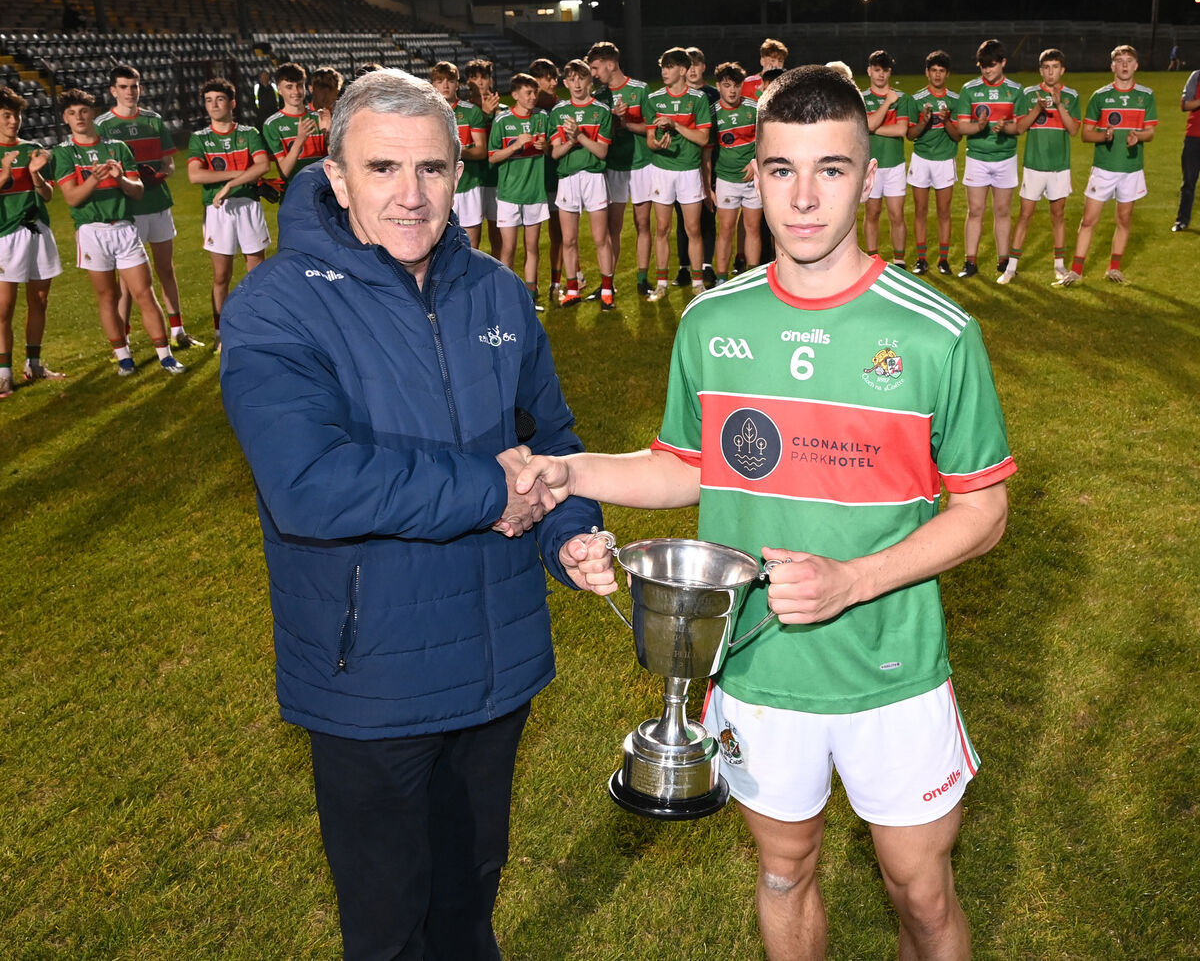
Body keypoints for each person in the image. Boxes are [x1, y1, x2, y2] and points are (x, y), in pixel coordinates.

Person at [517, 64, 1015, 961]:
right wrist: (566, 469)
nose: (805, 197)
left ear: (870, 175)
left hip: (889, 669)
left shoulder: (935, 332)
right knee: (784, 871)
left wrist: (854, 580)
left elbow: (985, 506)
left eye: (831, 169)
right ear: (754, 177)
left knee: (922, 893)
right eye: (783, 170)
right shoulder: (712, 322)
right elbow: (683, 468)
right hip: (753, 667)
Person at [218, 67, 615, 961]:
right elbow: (311, 483)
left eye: (432, 169)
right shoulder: (276, 308)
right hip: (374, 681)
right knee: (390, 928)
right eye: (384, 168)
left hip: (495, 662)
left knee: (470, 908)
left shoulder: (499, 293)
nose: (410, 194)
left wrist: (569, 532)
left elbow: (547, 441)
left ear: (458, 172)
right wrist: (493, 492)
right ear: (335, 176)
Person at [51, 89, 184, 376]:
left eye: (84, 111)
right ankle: (124, 358)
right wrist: (94, 180)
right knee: (108, 297)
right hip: (91, 231)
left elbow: (136, 191)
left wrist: (119, 178)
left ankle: (166, 356)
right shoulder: (63, 153)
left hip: (124, 228)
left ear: (93, 113)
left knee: (144, 294)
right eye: (72, 113)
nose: (79, 117)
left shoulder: (118, 148)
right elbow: (73, 198)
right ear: (65, 118)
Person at [96, 63, 202, 349]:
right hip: (128, 211)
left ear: (140, 88)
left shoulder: (154, 120)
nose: (130, 92)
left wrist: (161, 175)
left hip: (159, 204)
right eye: (123, 87)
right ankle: (124, 338)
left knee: (166, 268)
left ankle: (178, 331)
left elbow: (168, 161)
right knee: (128, 282)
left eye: (134, 86)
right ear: (113, 90)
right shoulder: (103, 125)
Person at [1057, 45, 1157, 286]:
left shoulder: (1146, 96)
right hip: (1104, 168)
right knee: (1089, 219)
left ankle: (1114, 268)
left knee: (1124, 219)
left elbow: (1150, 131)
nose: (1124, 65)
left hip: (1131, 167)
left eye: (1128, 61)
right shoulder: (1100, 96)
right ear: (1112, 66)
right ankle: (1076, 271)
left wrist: (1138, 137)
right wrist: (1105, 137)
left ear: (1136, 65)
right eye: (1119, 61)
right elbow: (1086, 134)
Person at [186, 77, 271, 354]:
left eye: (219, 99)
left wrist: (231, 184)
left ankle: (259, 326)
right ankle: (221, 332)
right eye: (208, 100)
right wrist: (237, 174)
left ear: (232, 103)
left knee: (257, 271)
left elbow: (262, 165)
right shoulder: (200, 138)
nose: (213, 105)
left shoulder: (248, 134)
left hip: (247, 205)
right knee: (221, 275)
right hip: (218, 210)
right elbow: (194, 175)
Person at [0, 85, 65, 397]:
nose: (14, 121)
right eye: (7, 115)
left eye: (18, 115)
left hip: (37, 231)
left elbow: (48, 196)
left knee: (39, 300)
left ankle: (34, 364)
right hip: (4, 237)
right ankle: (3, 374)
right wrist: (6, 172)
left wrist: (36, 174)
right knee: (4, 308)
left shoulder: (34, 148)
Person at [998, 49, 1080, 284]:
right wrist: (1038, 109)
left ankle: (1059, 266)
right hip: (1034, 165)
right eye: (1046, 67)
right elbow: (1020, 128)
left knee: (1058, 215)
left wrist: (1058, 105)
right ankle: (1011, 269)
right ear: (1041, 70)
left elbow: (1074, 130)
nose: (1050, 71)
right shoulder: (1029, 94)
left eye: (1055, 67)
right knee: (1025, 215)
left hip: (1059, 166)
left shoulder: (1071, 96)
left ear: (1062, 70)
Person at [642, 46, 713, 301]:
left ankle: (697, 283)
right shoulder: (653, 99)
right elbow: (650, 139)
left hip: (689, 171)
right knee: (662, 228)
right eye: (663, 66)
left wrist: (676, 125)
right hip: (661, 170)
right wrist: (656, 144)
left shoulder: (698, 99)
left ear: (683, 70)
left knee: (693, 229)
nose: (664, 71)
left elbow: (703, 137)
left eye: (670, 67)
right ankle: (661, 284)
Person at [587, 41, 654, 296]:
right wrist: (615, 122)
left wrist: (627, 122)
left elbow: (651, 127)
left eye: (595, 67)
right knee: (612, 227)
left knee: (642, 223)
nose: (593, 74)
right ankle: (608, 283)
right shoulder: (599, 97)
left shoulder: (640, 90)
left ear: (611, 64)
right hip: (613, 166)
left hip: (641, 165)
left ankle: (642, 279)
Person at [548, 59, 615, 308]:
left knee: (601, 238)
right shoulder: (558, 112)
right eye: (572, 79)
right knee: (569, 240)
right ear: (565, 82)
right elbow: (555, 153)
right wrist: (571, 141)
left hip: (594, 178)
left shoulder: (602, 111)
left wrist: (579, 136)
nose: (577, 83)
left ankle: (608, 290)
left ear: (590, 80)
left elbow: (602, 152)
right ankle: (573, 289)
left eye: (581, 78)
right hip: (567, 179)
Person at [954, 39, 1022, 277]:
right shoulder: (969, 89)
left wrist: (1005, 127)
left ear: (1003, 62)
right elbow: (962, 127)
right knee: (975, 210)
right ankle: (970, 262)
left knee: (1002, 210)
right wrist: (979, 126)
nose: (987, 70)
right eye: (983, 65)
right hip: (978, 158)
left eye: (991, 65)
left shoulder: (1015, 90)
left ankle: (1004, 262)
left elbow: (1020, 127)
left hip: (1005, 157)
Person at [488, 72, 551, 311]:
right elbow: (492, 157)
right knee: (508, 249)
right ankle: (506, 297)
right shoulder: (503, 121)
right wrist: (516, 145)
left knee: (533, 247)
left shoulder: (542, 117)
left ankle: (531, 296)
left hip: (535, 194)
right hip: (509, 195)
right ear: (515, 95)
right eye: (528, 92)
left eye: (535, 92)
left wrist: (544, 147)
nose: (533, 96)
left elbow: (549, 150)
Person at [906, 50, 960, 276]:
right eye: (934, 70)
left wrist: (947, 121)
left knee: (944, 211)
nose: (937, 75)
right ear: (927, 72)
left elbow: (957, 136)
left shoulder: (955, 100)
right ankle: (921, 259)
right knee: (920, 210)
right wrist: (924, 122)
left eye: (942, 71)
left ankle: (944, 260)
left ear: (947, 74)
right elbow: (911, 135)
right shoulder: (916, 100)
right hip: (921, 160)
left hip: (945, 160)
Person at [708, 61, 762, 283]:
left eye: (736, 85)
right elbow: (706, 152)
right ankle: (721, 279)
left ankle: (751, 278)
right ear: (718, 86)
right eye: (727, 85)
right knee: (726, 230)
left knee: (753, 229)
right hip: (727, 180)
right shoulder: (712, 113)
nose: (732, 90)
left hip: (753, 181)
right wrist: (708, 186)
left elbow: (768, 140)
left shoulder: (754, 107)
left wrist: (756, 162)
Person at [861, 50, 915, 269]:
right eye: (877, 70)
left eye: (884, 70)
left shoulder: (901, 98)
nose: (881, 75)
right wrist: (886, 105)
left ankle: (899, 261)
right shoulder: (862, 98)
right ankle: (872, 259)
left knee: (896, 214)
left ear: (890, 72)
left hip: (895, 164)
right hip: (870, 165)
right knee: (872, 212)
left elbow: (901, 130)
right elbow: (868, 126)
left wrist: (872, 127)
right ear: (869, 71)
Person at [673, 46, 719, 288]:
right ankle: (684, 267)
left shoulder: (712, 95)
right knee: (683, 219)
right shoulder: (676, 97)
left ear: (703, 67)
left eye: (696, 64)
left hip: (710, 159)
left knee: (707, 215)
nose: (692, 70)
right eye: (687, 65)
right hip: (685, 163)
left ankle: (707, 266)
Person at [430, 61, 489, 248]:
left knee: (471, 245)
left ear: (458, 83)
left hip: (470, 185)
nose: (445, 85)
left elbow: (481, 151)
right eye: (440, 81)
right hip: (437, 188)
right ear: (433, 85)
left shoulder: (471, 112)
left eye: (450, 80)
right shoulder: (426, 114)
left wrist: (456, 152)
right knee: (438, 244)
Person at [530, 58, 568, 296]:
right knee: (529, 240)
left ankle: (556, 284)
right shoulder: (526, 110)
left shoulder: (562, 108)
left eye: (555, 77)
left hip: (555, 178)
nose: (554, 82)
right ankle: (527, 286)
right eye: (548, 77)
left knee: (559, 234)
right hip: (529, 183)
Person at [262, 62, 328, 193]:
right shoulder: (272, 125)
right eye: (289, 87)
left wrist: (329, 133)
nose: (296, 92)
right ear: (279, 90)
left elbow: (334, 160)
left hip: (324, 192)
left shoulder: (319, 117)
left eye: (299, 85)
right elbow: (284, 172)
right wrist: (299, 140)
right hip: (295, 194)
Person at [465, 58, 503, 257]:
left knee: (500, 239)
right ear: (467, 82)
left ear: (491, 80)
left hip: (498, 180)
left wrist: (494, 114)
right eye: (474, 78)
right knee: (471, 242)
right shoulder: (463, 111)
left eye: (484, 77)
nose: (479, 82)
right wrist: (484, 115)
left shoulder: (503, 111)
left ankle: (500, 284)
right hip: (473, 181)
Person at [1171, 67, 1200, 232]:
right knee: (1189, 181)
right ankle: (1182, 221)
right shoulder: (1196, 76)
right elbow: (1185, 104)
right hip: (1194, 138)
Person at [742, 37, 789, 102]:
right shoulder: (748, 82)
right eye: (773, 60)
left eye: (780, 61)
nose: (776, 65)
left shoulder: (787, 84)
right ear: (762, 61)